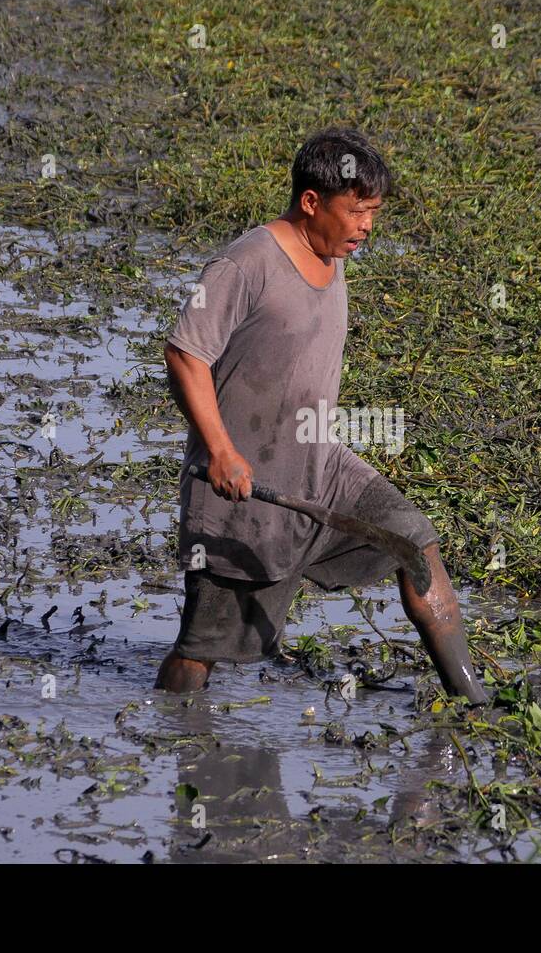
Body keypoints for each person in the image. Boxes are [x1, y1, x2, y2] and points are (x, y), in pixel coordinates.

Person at [155, 126, 489, 705]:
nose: (366, 227)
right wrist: (222, 450)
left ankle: (472, 701)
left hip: (322, 470)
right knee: (200, 652)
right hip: (246, 495)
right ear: (312, 202)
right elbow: (185, 354)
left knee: (415, 543)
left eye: (373, 213)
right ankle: (166, 729)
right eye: (357, 211)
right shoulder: (245, 264)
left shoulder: (332, 255)